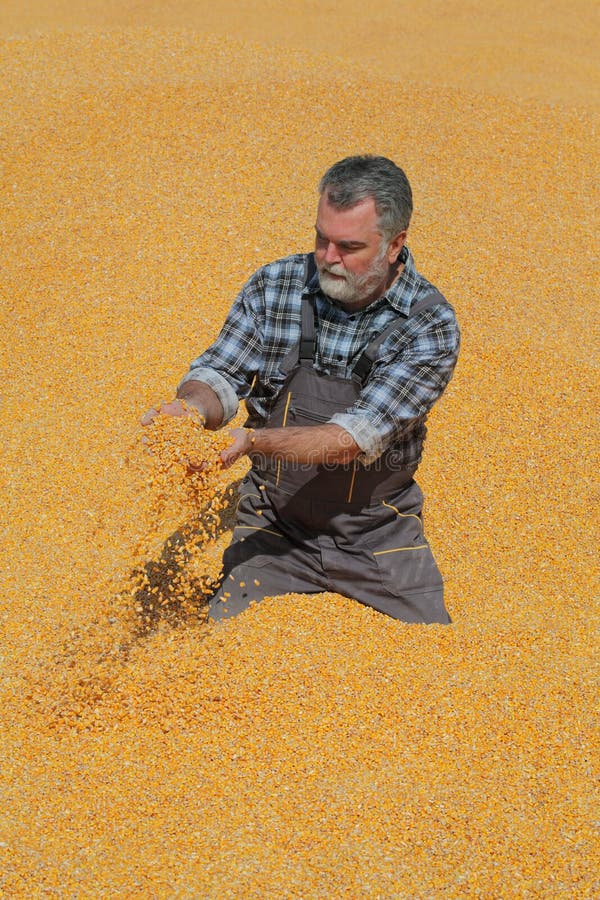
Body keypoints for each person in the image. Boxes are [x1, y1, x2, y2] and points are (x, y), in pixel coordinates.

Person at [142, 155, 460, 624]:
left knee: (435, 655)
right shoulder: (276, 285)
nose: (328, 258)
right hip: (274, 523)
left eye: (348, 246)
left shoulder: (428, 325)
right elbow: (221, 374)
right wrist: (189, 411)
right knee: (222, 649)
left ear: (395, 245)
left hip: (374, 534)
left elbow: (350, 439)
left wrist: (252, 441)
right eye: (321, 238)